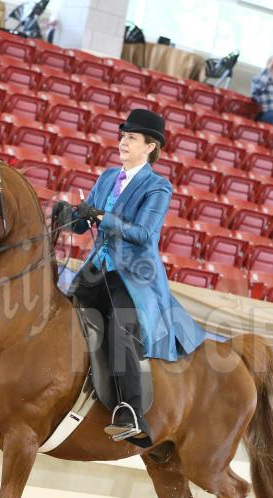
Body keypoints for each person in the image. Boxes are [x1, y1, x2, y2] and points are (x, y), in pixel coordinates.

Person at [64, 109, 206, 443]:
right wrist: (75, 217)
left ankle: (130, 410)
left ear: (150, 146)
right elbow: (84, 225)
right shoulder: (107, 177)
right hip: (96, 269)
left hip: (133, 275)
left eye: (131, 138)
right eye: (123, 136)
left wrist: (101, 215)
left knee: (119, 326)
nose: (123, 142)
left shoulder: (158, 187)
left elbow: (144, 234)